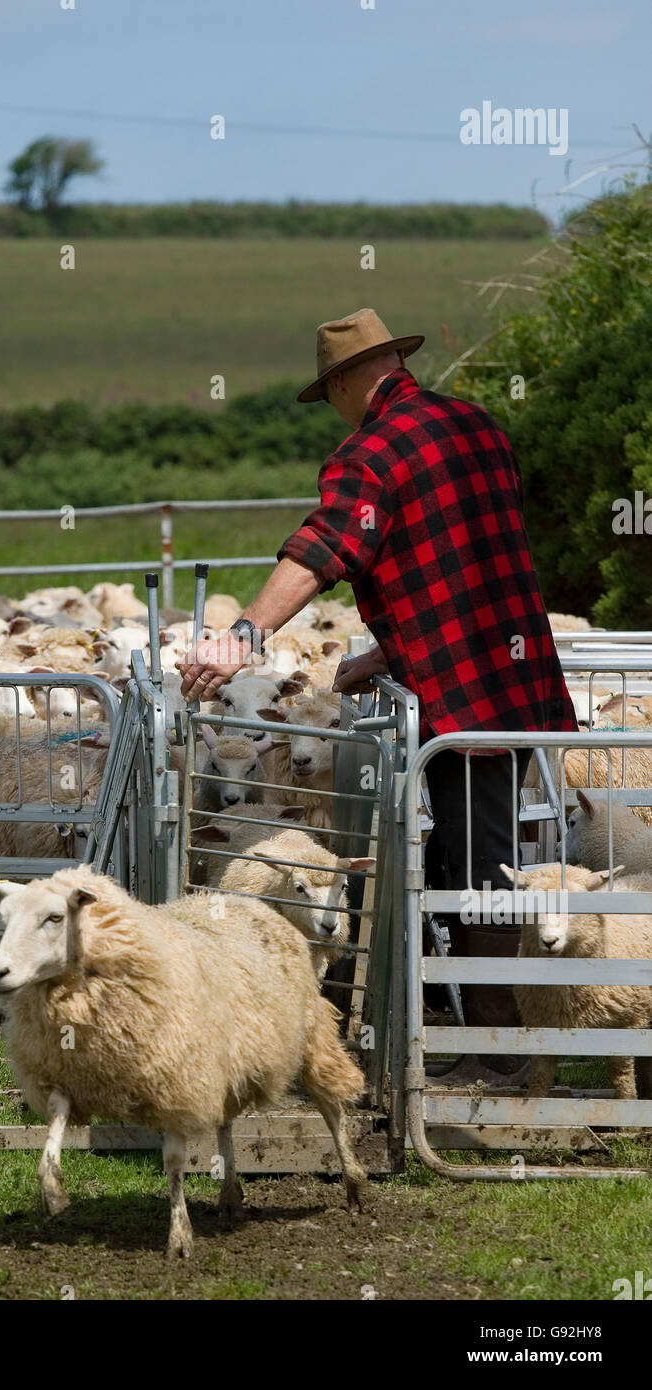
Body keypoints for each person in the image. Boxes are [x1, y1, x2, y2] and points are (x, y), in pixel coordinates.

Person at [178, 307, 578, 1081]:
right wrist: (390, 650)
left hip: (464, 698)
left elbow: (325, 547)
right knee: (470, 849)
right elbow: (467, 556)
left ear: (346, 381)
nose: (333, 407)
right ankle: (487, 1036)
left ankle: (501, 1052)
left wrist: (242, 636)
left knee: (479, 863)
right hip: (511, 673)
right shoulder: (477, 425)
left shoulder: (371, 451)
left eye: (330, 392)